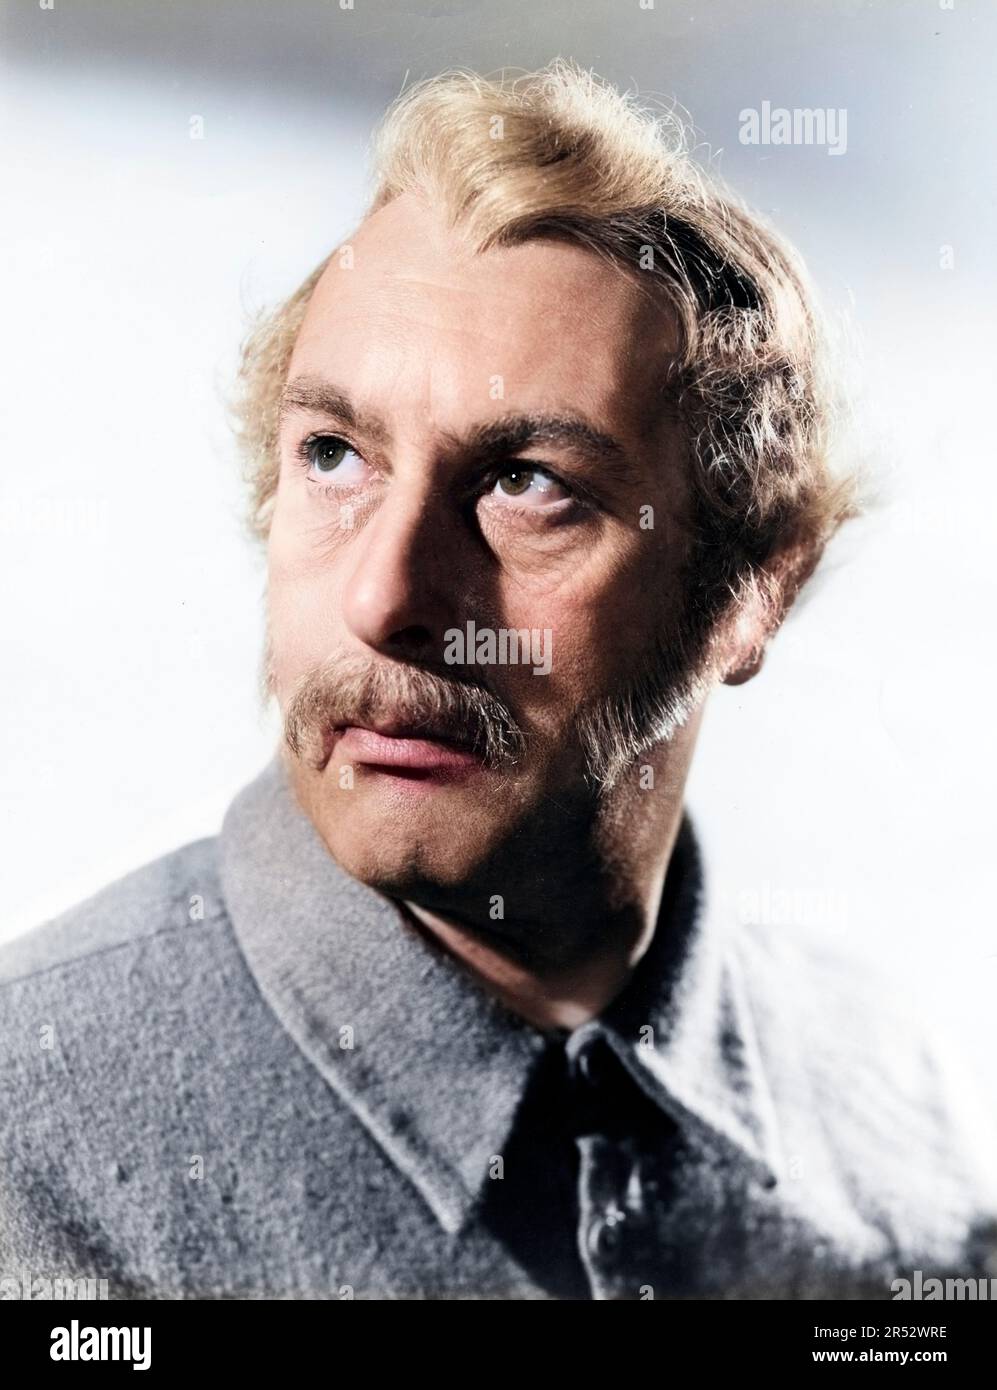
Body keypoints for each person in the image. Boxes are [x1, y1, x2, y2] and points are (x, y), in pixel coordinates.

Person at [2, 60, 994, 1301]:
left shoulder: (902, 1124)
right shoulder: (25, 1153)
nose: (384, 598)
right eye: (333, 454)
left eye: (529, 482)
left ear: (751, 593)